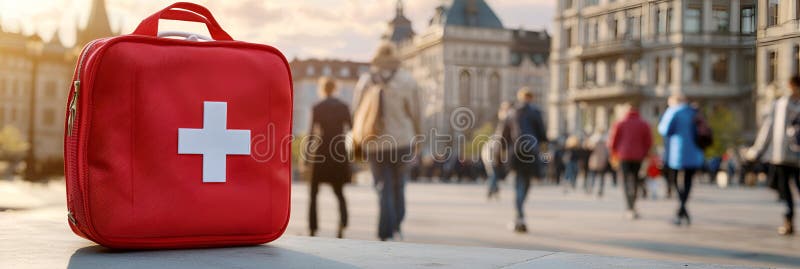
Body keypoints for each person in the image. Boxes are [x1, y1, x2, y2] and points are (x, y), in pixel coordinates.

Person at [352, 42, 421, 241]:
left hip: (374, 142)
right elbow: (416, 114)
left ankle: (385, 232)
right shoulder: (407, 80)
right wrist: (419, 137)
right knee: (399, 185)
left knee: (383, 186)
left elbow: (357, 112)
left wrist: (358, 138)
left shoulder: (366, 81)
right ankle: (396, 225)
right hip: (402, 141)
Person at [747, 75, 800, 235]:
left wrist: (757, 151)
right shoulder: (779, 104)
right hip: (783, 155)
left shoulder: (780, 104)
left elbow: (767, 129)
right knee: (784, 188)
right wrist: (757, 150)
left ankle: (788, 220)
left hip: (783, 154)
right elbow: (768, 129)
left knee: (786, 189)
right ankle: (788, 219)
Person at [305, 77, 352, 238]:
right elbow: (352, 131)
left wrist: (306, 156)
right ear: (336, 88)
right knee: (339, 192)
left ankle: (312, 227)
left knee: (313, 193)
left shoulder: (317, 107)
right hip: (339, 151)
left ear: (322, 89)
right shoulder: (344, 107)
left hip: (322, 151)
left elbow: (311, 134)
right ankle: (343, 223)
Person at [500, 88, 548, 233]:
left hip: (516, 151)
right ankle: (520, 215)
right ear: (531, 98)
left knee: (519, 184)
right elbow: (542, 135)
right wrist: (543, 150)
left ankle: (519, 216)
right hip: (531, 151)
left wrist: (503, 152)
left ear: (520, 97)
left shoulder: (512, 112)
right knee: (526, 184)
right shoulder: (536, 112)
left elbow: (504, 135)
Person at [658, 94, 705, 226]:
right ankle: (682, 209)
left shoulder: (673, 111)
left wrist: (668, 112)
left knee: (674, 180)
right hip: (695, 152)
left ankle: (681, 209)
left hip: (677, 152)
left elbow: (664, 130)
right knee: (688, 181)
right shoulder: (694, 111)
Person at [608, 102, 653, 219]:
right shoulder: (644, 124)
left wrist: (614, 153)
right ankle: (633, 204)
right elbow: (649, 142)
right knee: (636, 180)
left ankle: (629, 206)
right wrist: (645, 153)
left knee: (625, 180)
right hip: (639, 156)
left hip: (624, 156)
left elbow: (613, 142)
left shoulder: (620, 123)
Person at [483, 102, 512, 200]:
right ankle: (493, 190)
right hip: (493, 152)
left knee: (493, 174)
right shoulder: (503, 121)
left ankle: (493, 190)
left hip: (495, 152)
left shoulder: (505, 121)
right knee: (493, 174)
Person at [586, 133, 610, 197]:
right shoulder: (605, 146)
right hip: (602, 162)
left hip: (594, 162)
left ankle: (590, 188)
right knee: (601, 177)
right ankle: (600, 190)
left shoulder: (594, 145)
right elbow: (608, 155)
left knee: (592, 176)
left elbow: (588, 150)